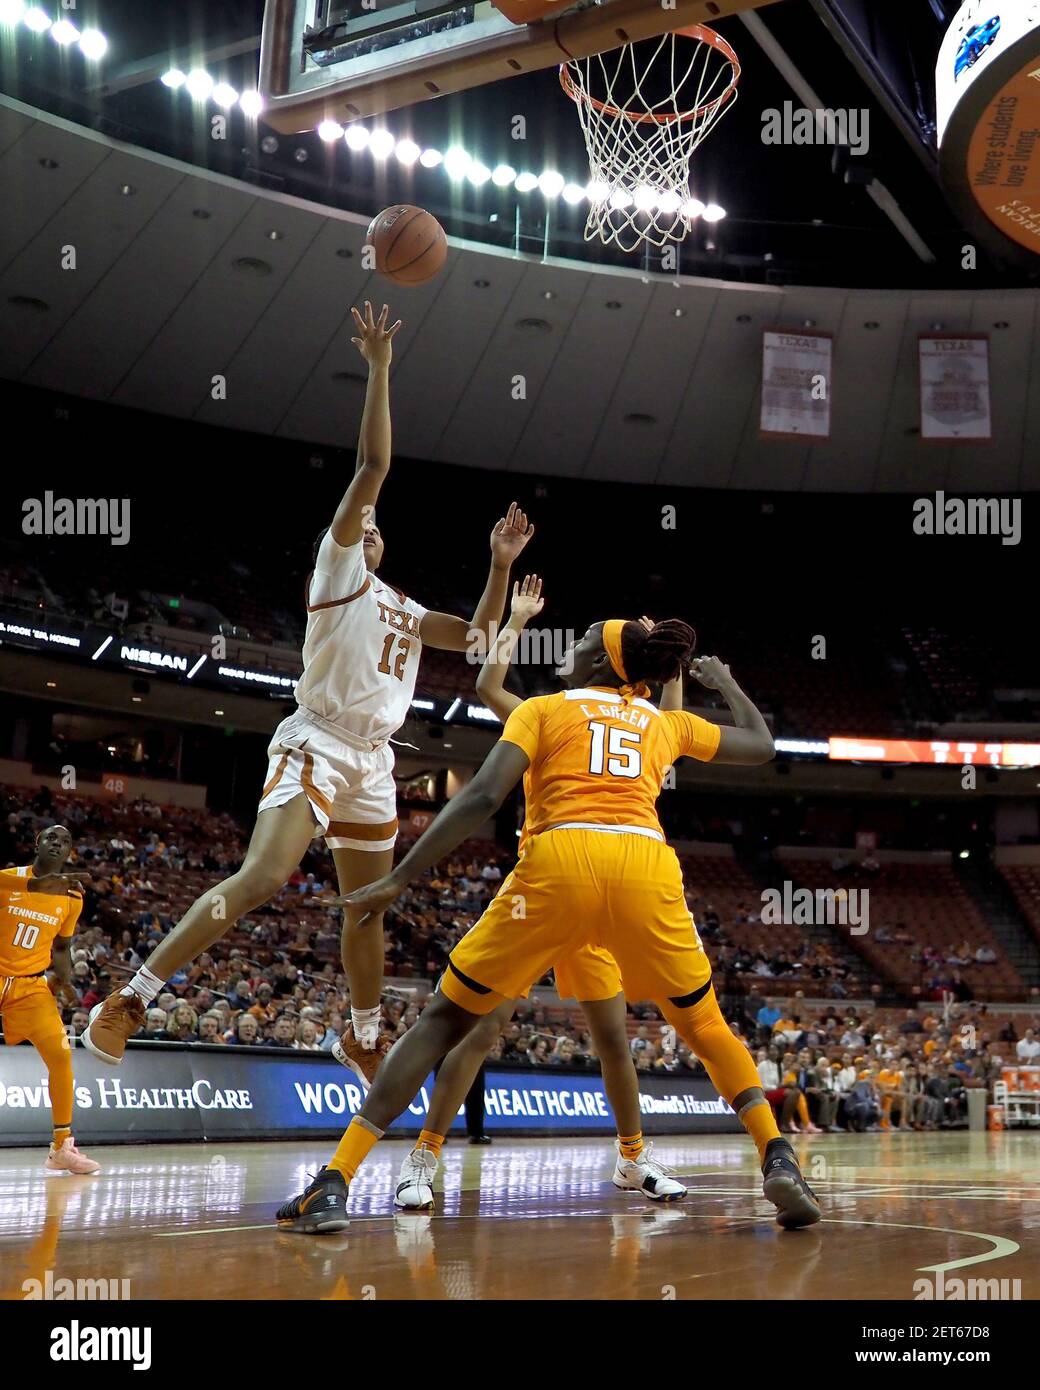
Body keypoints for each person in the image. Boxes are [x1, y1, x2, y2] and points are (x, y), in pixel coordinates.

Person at [83, 302, 534, 1087]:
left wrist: (498, 566)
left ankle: (362, 1036)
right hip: (318, 739)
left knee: (368, 906)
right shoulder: (338, 571)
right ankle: (131, 998)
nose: (372, 526)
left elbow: (477, 640)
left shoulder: (402, 605)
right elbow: (374, 468)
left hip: (375, 761)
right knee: (265, 877)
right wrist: (381, 369)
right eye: (364, 523)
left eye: (379, 527)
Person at [277, 616, 819, 1233]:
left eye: (585, 638)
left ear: (602, 662)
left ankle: (335, 1181)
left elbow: (482, 797)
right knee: (703, 1024)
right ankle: (778, 1155)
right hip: (644, 865)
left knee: (445, 1021)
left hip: (558, 866)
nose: (573, 644)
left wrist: (401, 877)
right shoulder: (662, 723)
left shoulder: (543, 709)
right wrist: (723, 683)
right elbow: (762, 745)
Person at [390, 588, 688, 1209]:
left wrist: (668, 662)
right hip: (544, 887)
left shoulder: (636, 719)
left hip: (593, 890)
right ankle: (424, 1158)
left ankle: (634, 1158)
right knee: (480, 1030)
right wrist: (518, 620)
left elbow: (670, 720)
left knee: (613, 1038)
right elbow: (487, 685)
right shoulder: (545, 712)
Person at [0, 832, 100, 1174]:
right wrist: (41, 886)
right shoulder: (8, 879)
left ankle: (61, 1147)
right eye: (51, 838)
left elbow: (61, 946)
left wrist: (66, 981)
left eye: (65, 841)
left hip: (31, 987)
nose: (57, 843)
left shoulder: (72, 897)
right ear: (36, 845)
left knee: (61, 1055)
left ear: (69, 852)